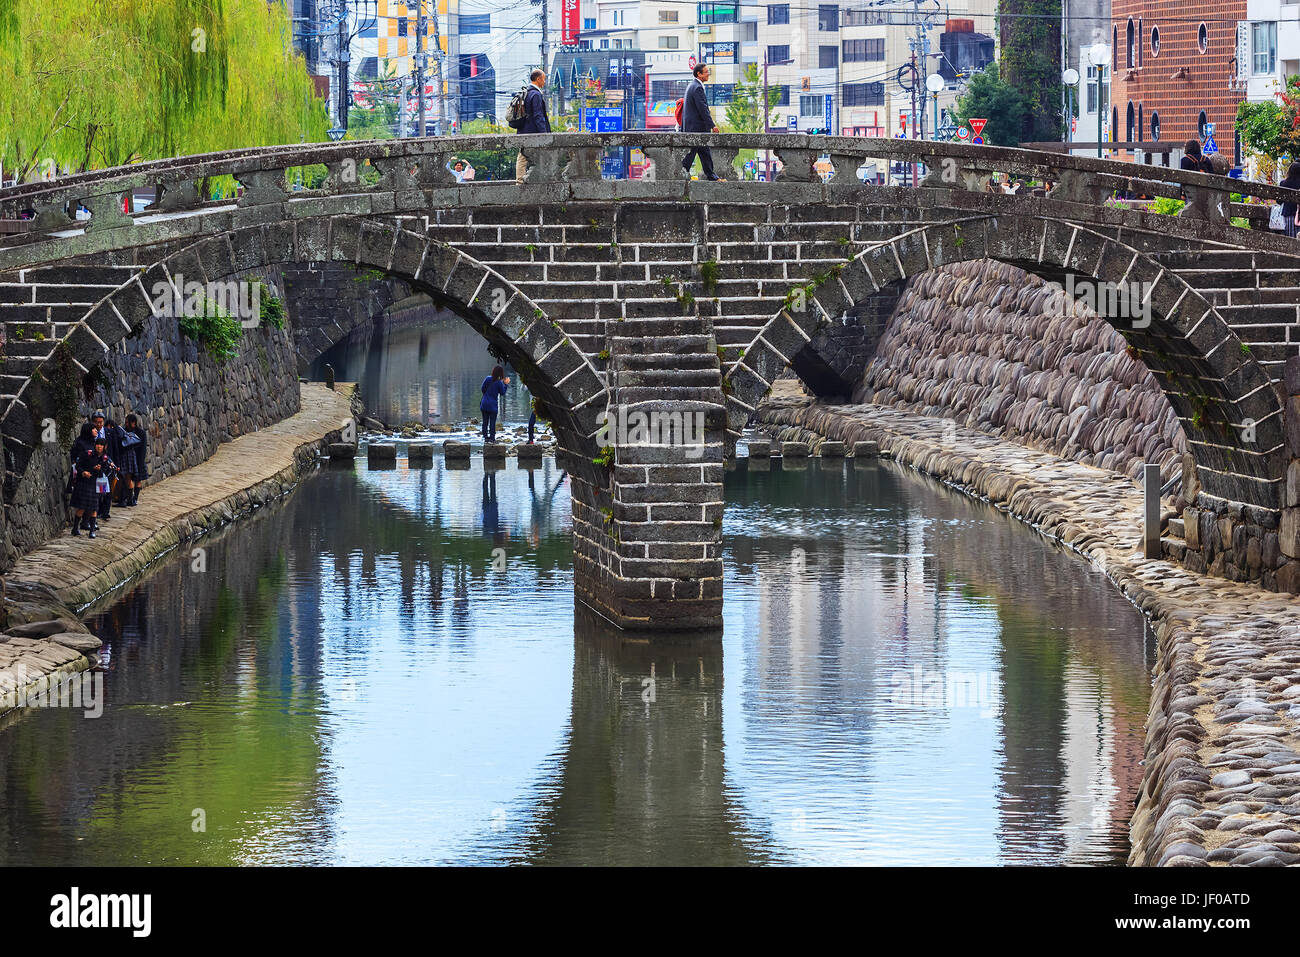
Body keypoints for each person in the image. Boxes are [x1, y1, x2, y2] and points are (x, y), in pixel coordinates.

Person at [681, 63, 725, 182]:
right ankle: (681, 174)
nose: (708, 74)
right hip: (697, 128)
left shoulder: (692, 86)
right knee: (691, 154)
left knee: (703, 152)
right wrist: (712, 125)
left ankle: (711, 176)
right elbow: (703, 109)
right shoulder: (697, 87)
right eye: (706, 72)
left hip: (693, 127)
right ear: (699, 74)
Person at [70, 436, 115, 539]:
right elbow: (78, 466)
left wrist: (99, 469)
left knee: (94, 507)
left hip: (97, 484)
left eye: (101, 445)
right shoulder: (88, 454)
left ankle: (92, 531)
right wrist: (84, 472)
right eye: (98, 444)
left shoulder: (105, 459)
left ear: (105, 447)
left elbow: (105, 473)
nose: (99, 447)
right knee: (82, 507)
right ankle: (75, 528)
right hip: (84, 482)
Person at [515, 69, 550, 183]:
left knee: (523, 156)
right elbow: (538, 115)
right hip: (533, 131)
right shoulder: (535, 94)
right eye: (543, 79)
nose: (544, 82)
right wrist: (544, 133)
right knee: (529, 156)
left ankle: (520, 181)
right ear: (538, 79)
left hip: (523, 130)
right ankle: (525, 181)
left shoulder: (526, 92)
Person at [116, 413, 148, 507]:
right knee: (127, 479)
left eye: (127, 422)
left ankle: (135, 498)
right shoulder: (125, 431)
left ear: (133, 422)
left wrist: (140, 462)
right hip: (129, 458)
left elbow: (143, 448)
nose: (126, 424)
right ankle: (127, 498)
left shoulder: (141, 433)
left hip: (138, 458)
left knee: (138, 479)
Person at [480, 365, 510, 443]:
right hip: (493, 405)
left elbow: (482, 389)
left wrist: (486, 395)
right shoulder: (499, 383)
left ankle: (486, 438)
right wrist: (506, 384)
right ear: (501, 374)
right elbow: (502, 393)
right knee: (492, 423)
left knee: (485, 422)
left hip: (484, 404)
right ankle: (492, 438)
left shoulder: (487, 378)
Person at [1279, 160, 1300, 239]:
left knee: (1290, 238)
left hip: (1289, 214)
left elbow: (1279, 201)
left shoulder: (1284, 183)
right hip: (1299, 214)